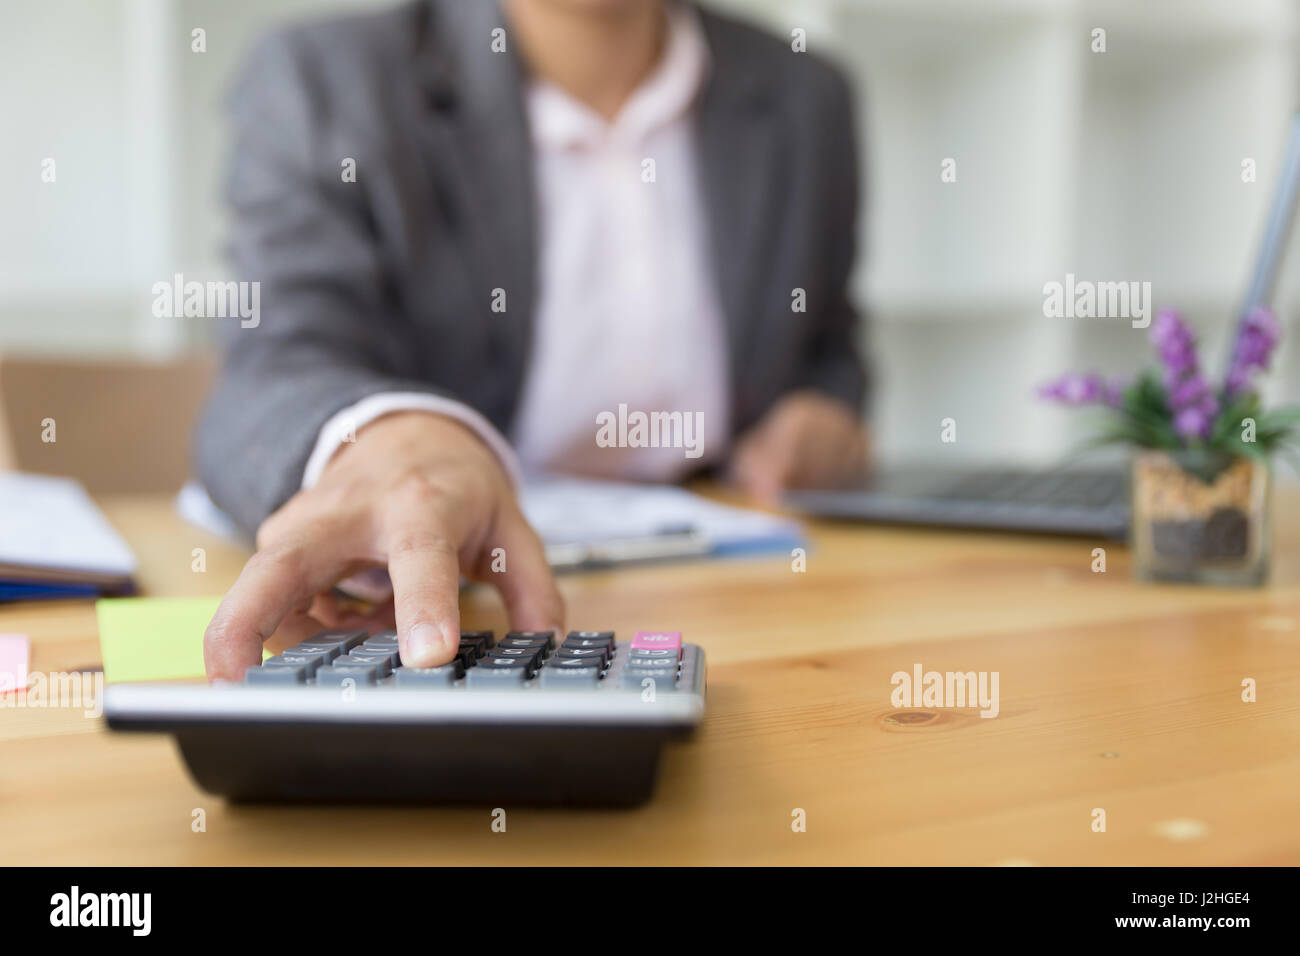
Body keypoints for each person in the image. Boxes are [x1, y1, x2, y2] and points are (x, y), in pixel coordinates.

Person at [197, 0, 871, 680]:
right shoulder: (325, 80)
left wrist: (827, 408)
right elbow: (280, 351)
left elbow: (830, 342)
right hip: (466, 608)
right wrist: (392, 439)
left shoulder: (808, 94)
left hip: (749, 596)